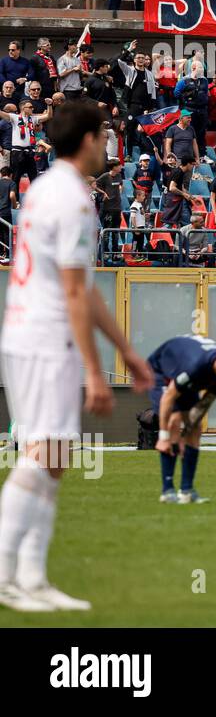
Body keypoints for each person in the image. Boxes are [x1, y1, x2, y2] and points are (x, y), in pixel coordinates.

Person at [0, 99, 153, 612]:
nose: (109, 144)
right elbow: (72, 293)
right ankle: (4, 572)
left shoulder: (44, 190)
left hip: (27, 333)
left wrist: (126, 350)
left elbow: (84, 289)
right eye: (105, 135)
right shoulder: (72, 199)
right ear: (88, 139)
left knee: (56, 455)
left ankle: (31, 577)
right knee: (45, 451)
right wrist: (95, 369)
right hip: (47, 338)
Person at [149, 336, 216, 504]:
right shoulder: (195, 365)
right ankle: (167, 491)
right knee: (174, 420)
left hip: (188, 379)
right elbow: (169, 397)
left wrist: (185, 435)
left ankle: (187, 491)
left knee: (195, 428)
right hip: (160, 371)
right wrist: (164, 437)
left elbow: (202, 406)